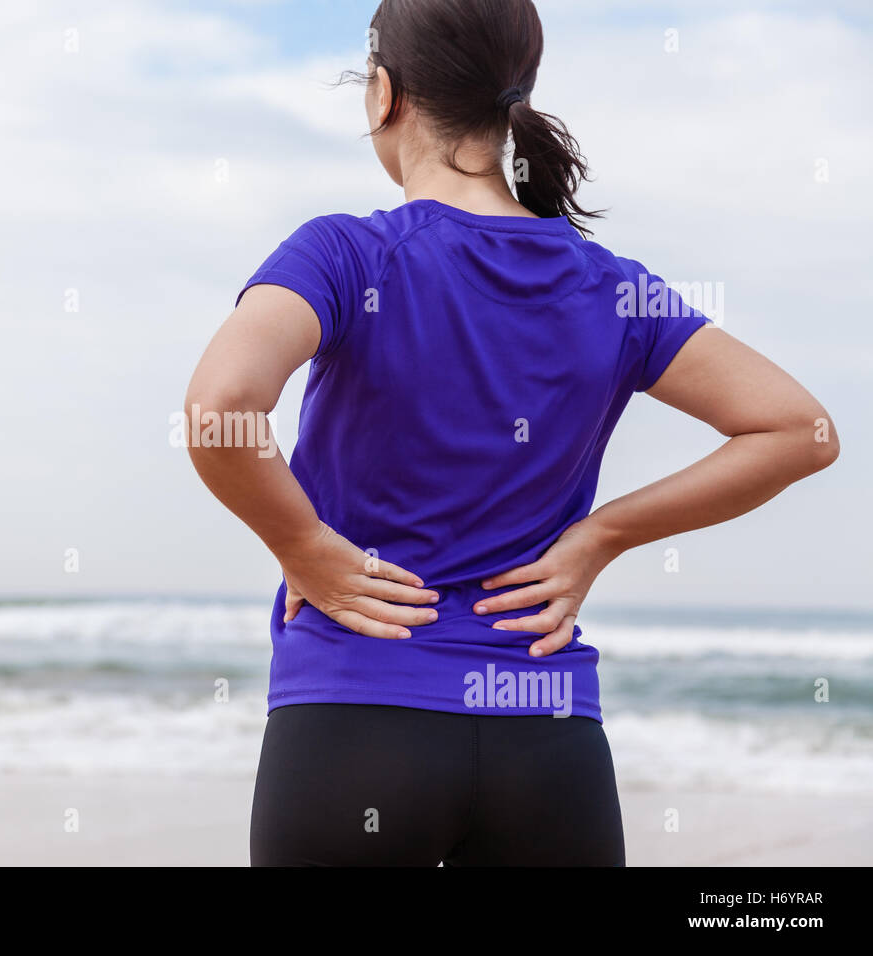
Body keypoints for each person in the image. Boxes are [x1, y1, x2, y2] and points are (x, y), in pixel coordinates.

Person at [184, 0, 840, 866]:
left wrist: (301, 544)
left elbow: (220, 407)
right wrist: (600, 538)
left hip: (356, 715)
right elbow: (801, 430)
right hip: (545, 736)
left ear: (383, 94)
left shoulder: (345, 255)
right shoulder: (611, 286)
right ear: (513, 104)